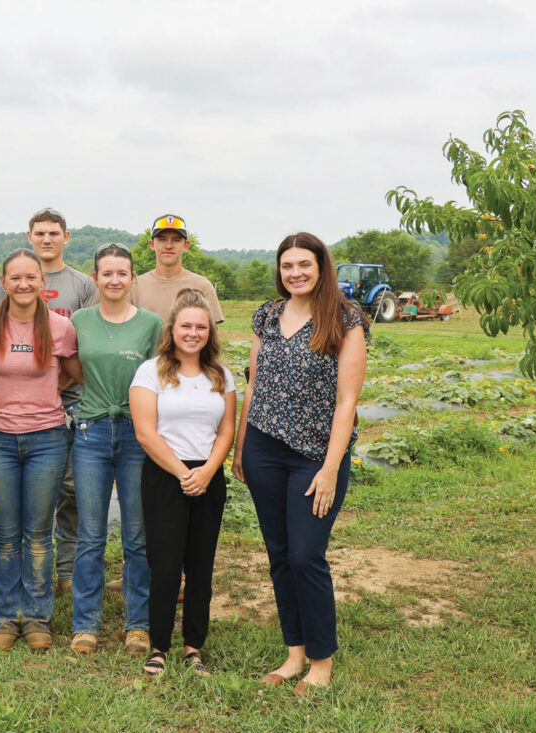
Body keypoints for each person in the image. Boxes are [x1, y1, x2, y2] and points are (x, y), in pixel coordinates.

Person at [233, 232, 368, 693]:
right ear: (280, 270)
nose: (295, 273)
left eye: (304, 264)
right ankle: (294, 655)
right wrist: (239, 447)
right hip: (263, 451)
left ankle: (321, 663)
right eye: (287, 265)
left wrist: (331, 467)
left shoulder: (347, 319)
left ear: (321, 266)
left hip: (315, 455)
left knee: (307, 555)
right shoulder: (266, 316)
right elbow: (253, 387)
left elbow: (347, 402)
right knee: (280, 555)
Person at [0, 208, 97, 589]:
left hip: (69, 400)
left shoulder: (82, 285)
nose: (47, 239)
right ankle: (25, 583)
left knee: (71, 490)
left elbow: (80, 346)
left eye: (54, 233)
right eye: (40, 233)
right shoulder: (6, 288)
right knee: (25, 509)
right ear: (30, 236)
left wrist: (56, 385)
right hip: (17, 408)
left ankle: (67, 573)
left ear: (66, 237)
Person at [129, 289, 236, 677]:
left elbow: (227, 429)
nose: (193, 333)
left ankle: (194, 647)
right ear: (172, 329)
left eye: (201, 327)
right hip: (165, 475)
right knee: (166, 565)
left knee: (201, 566)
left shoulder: (220, 375)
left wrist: (207, 471)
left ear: (210, 332)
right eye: (186, 326)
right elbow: (145, 432)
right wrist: (182, 473)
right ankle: (159, 646)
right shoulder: (151, 371)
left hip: (208, 477)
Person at [0, 248, 81, 651]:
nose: (23, 284)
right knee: (6, 534)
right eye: (15, 278)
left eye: (31, 277)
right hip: (0, 440)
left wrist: (43, 396)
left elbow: (74, 375)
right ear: (3, 282)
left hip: (47, 439)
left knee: (39, 533)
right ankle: (6, 618)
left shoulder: (60, 327)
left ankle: (37, 617)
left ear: (42, 282)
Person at [69, 243, 163, 656]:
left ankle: (137, 625)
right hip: (89, 430)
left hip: (135, 434)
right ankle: (85, 625)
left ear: (132, 278)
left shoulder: (150, 324)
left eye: (122, 273)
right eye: (106, 273)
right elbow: (73, 367)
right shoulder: (78, 320)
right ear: (95, 278)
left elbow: (161, 375)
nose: (114, 280)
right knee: (90, 534)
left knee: (137, 535)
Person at [129, 214, 224, 324]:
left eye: (176, 240)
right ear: (151, 244)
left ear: (186, 245)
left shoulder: (202, 286)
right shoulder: (134, 287)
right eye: (162, 239)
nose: (169, 245)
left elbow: (211, 336)